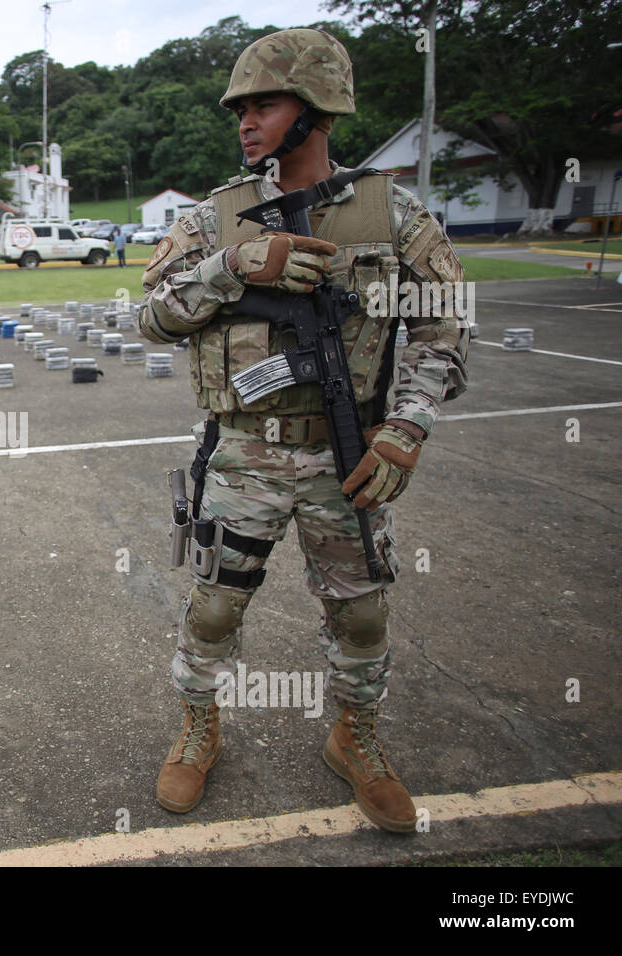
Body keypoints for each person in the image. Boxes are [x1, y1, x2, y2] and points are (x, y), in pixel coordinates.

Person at [138, 28, 469, 833]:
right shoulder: (215, 217)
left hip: (348, 452)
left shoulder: (394, 212)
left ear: (315, 109)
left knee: (360, 614)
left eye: (264, 104)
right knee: (215, 606)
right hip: (245, 454)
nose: (246, 122)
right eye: (240, 108)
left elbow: (444, 325)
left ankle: (354, 737)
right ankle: (199, 723)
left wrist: (408, 425)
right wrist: (233, 267)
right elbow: (150, 315)